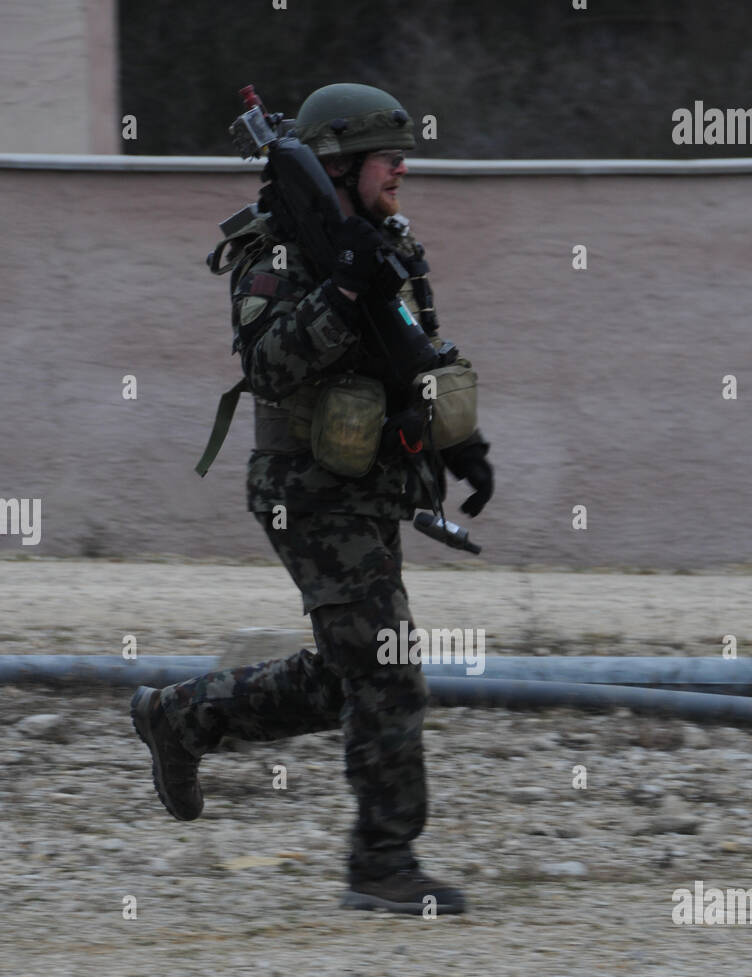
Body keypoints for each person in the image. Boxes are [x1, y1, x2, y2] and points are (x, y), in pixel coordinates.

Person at [131, 83, 494, 915]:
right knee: (389, 671)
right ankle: (382, 865)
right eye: (384, 156)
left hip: (372, 484)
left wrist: (458, 440)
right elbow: (268, 365)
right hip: (308, 491)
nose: (401, 166)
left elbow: (409, 348)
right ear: (338, 163)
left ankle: (182, 719)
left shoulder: (380, 239)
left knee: (347, 678)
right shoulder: (282, 249)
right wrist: (339, 290)